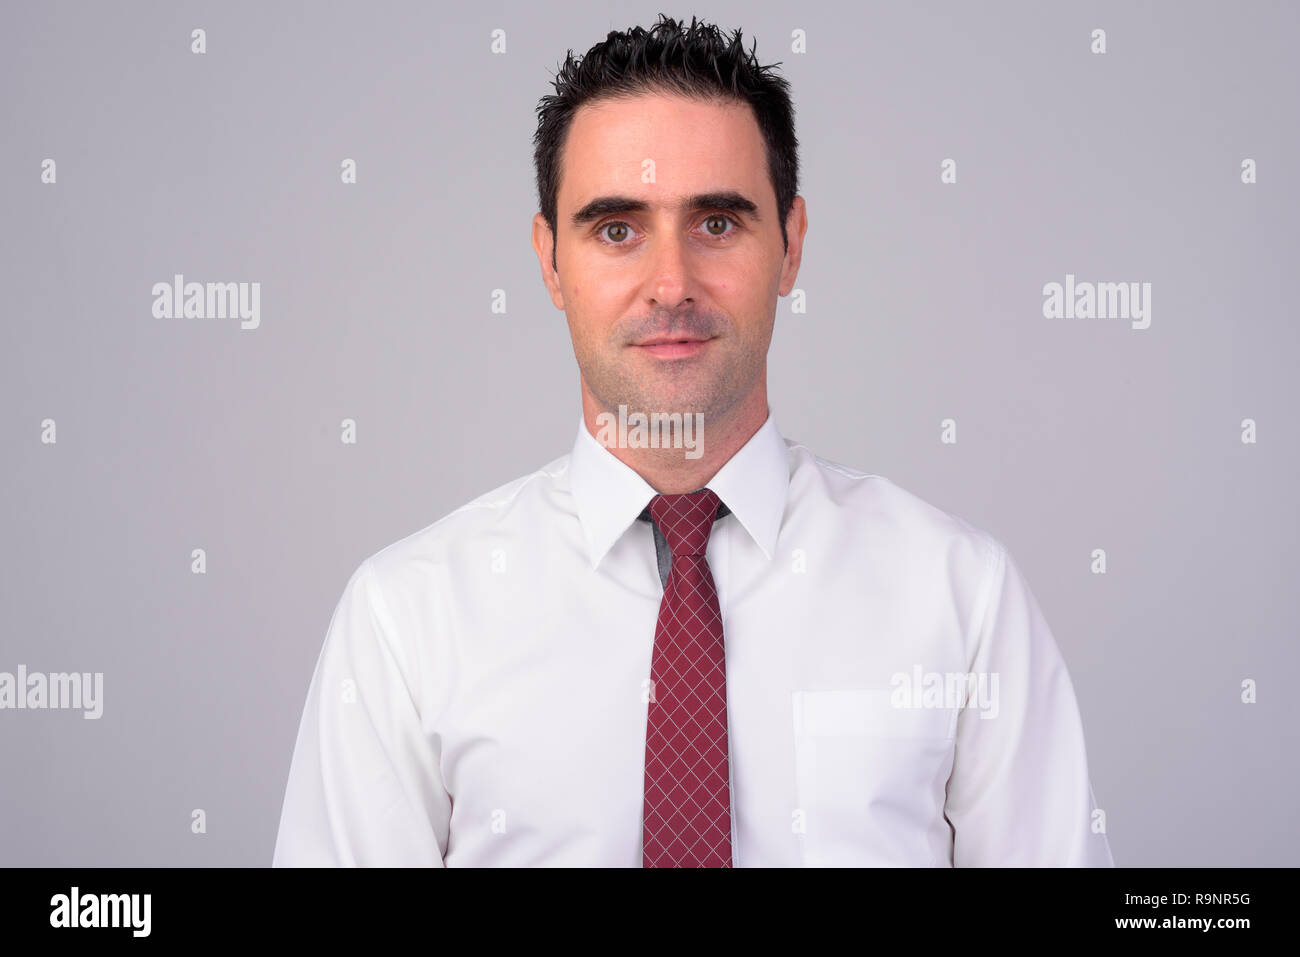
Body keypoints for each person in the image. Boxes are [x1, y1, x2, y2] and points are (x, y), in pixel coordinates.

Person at [272, 14, 1114, 867]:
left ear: (790, 247)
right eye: (616, 229)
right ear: (549, 262)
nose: (670, 283)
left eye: (716, 223)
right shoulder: (406, 620)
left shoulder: (961, 597)